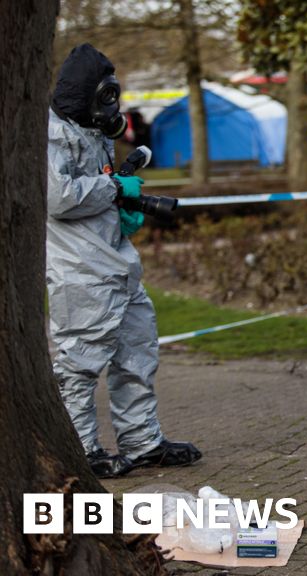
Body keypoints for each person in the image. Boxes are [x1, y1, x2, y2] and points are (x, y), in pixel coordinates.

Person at [47, 44, 202, 479]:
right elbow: (58, 199)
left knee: (137, 353)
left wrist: (121, 207)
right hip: (78, 270)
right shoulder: (50, 135)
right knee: (79, 363)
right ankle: (81, 450)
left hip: (117, 264)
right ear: (86, 95)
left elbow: (96, 192)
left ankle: (143, 441)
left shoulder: (93, 133)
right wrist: (114, 190)